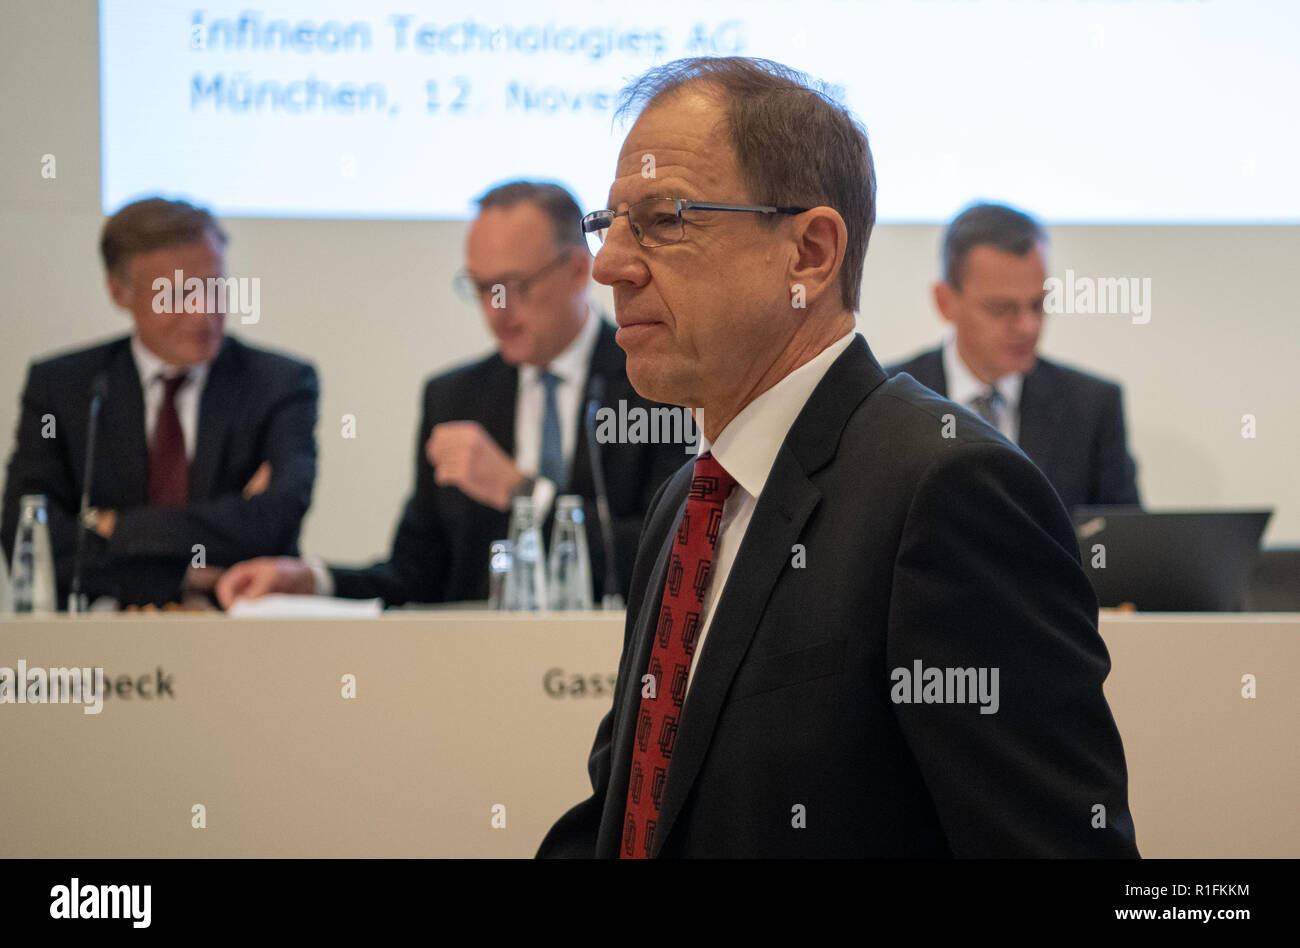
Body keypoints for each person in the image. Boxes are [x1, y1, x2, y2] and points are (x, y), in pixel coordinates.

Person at [538, 58, 1139, 858]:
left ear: (810, 253)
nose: (610, 262)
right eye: (607, 222)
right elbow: (630, 814)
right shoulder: (688, 500)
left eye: (665, 217)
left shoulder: (948, 489)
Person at [217, 182, 684, 608]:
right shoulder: (455, 398)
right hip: (477, 670)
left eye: (514, 286)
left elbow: (666, 555)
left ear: (580, 270)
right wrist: (314, 580)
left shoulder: (656, 381)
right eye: (481, 288)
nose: (495, 310)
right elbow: (415, 577)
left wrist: (519, 493)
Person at [0, 197, 318, 608]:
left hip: (240, 633)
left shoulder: (278, 384)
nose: (204, 312)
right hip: (104, 639)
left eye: (214, 287)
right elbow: (29, 538)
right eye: (180, 294)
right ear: (119, 293)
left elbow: (272, 524)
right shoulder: (64, 386)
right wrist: (185, 574)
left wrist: (110, 525)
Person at [888, 203, 1141, 511]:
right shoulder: (889, 400)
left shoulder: (1092, 406)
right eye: (1001, 308)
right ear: (945, 302)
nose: (1028, 326)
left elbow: (1123, 545)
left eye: (1037, 304)